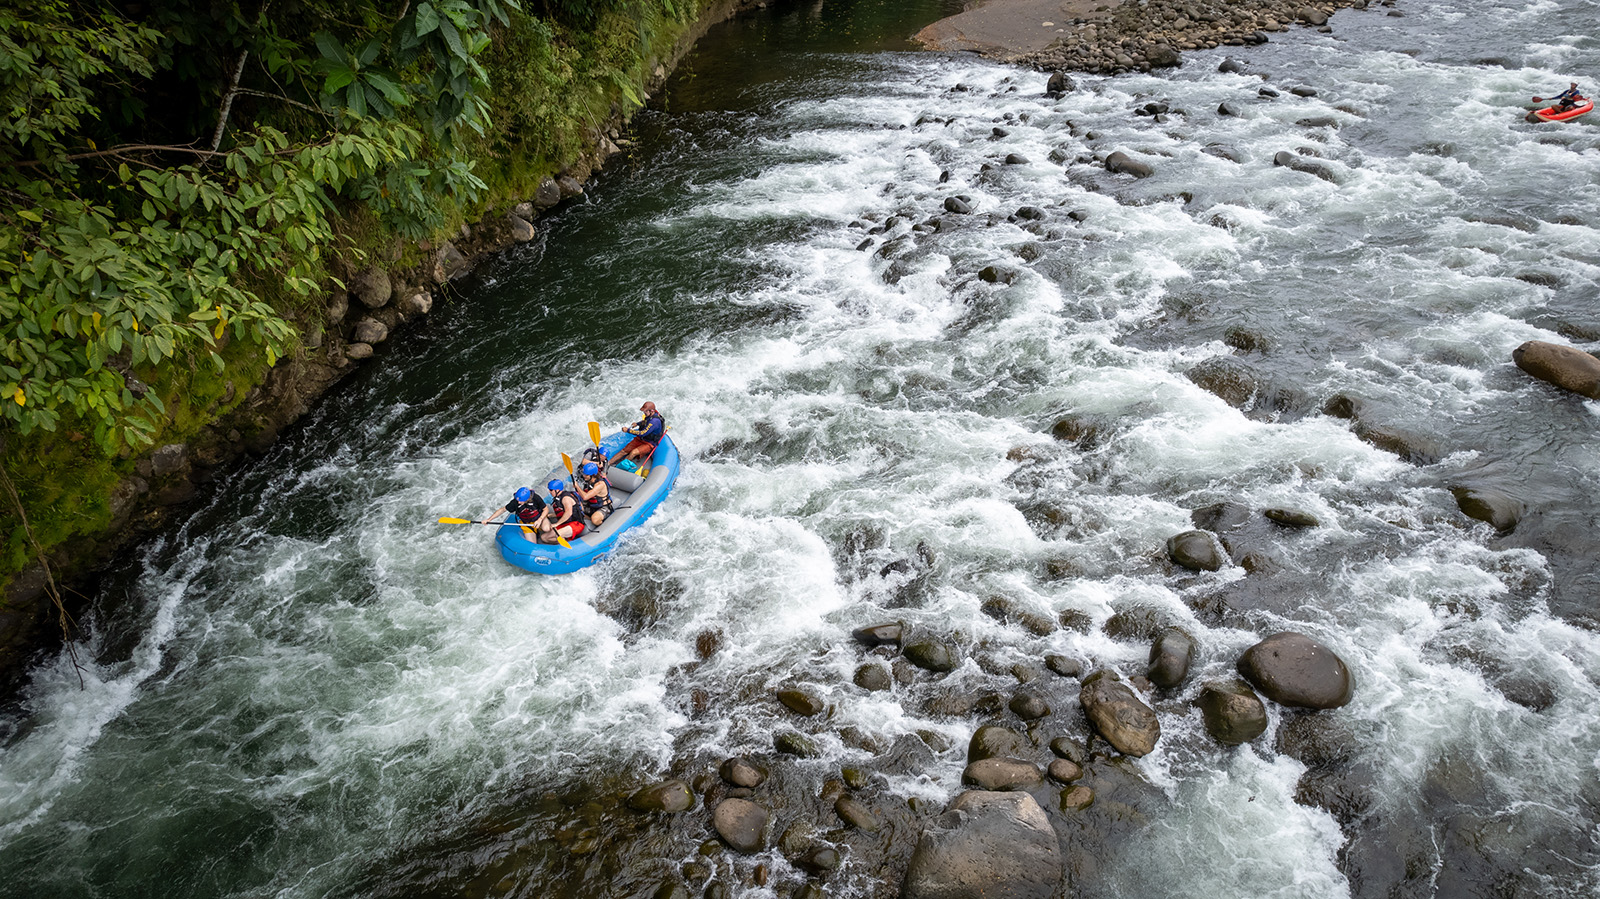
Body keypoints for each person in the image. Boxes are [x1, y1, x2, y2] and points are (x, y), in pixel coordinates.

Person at [608, 401, 666, 468]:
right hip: (641, 439)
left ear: (651, 411)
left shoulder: (655, 421)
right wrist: (637, 424)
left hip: (649, 443)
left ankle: (619, 466)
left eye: (645, 411)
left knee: (633, 452)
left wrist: (628, 430)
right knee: (623, 451)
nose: (644, 413)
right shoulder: (651, 415)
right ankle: (608, 463)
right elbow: (646, 421)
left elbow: (642, 433)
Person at [535, 478, 586, 545]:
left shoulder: (566, 498)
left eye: (551, 490)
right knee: (544, 537)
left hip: (576, 524)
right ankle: (567, 542)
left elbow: (568, 513)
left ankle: (569, 548)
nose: (549, 492)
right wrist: (551, 515)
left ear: (557, 490)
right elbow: (562, 512)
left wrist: (556, 524)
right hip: (565, 524)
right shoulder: (558, 497)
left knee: (558, 534)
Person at [574, 461, 614, 527]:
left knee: (595, 519)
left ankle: (603, 526)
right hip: (591, 505)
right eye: (583, 474)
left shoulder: (600, 484)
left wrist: (577, 486)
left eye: (586, 475)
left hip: (603, 507)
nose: (584, 476)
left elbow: (585, 497)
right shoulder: (588, 481)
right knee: (575, 509)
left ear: (593, 475)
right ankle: (588, 518)